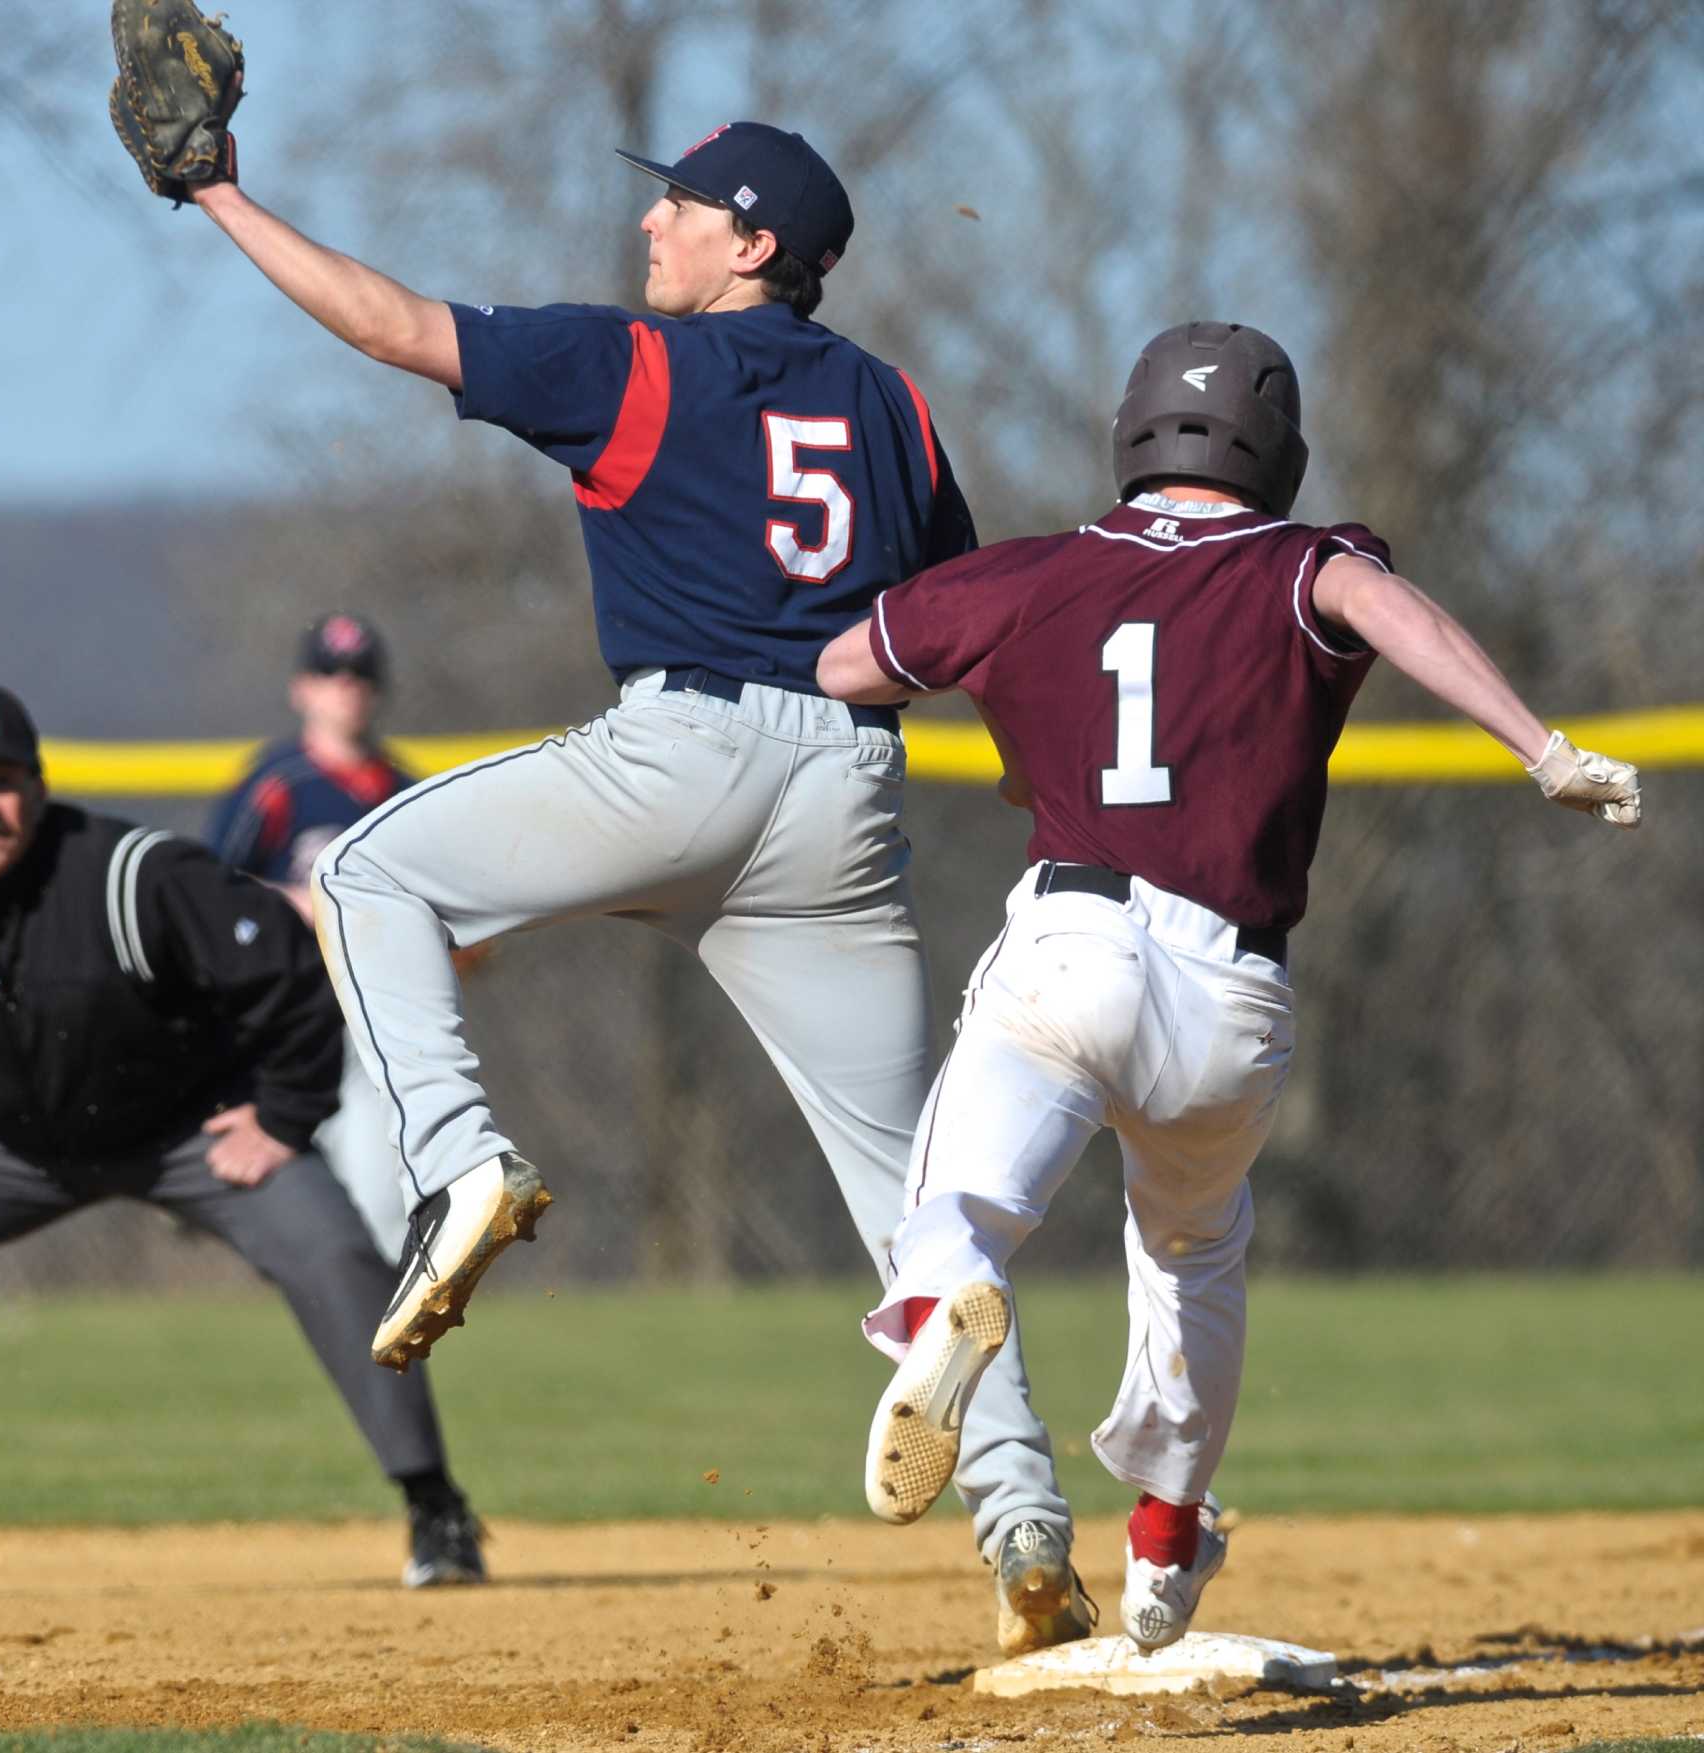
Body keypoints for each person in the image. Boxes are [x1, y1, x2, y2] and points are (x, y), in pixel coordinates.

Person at [180, 123, 1089, 1650]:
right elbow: (960, 617)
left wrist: (216, 193)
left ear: (749, 246)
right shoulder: (898, 404)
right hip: (848, 797)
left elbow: (387, 323)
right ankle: (1028, 1536)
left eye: (680, 202)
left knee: (384, 865)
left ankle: (464, 1163)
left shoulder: (638, 368)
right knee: (914, 1206)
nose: (650, 218)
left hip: (689, 754)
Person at [816, 321, 1642, 1653]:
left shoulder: (1033, 573)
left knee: (953, 1205)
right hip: (1230, 997)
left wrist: (993, 659)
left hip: (1070, 952)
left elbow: (849, 663)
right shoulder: (1305, 562)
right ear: (1278, 451)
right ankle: (1162, 1543)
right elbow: (1389, 612)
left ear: (1130, 434)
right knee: (1195, 1254)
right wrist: (1541, 747)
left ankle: (939, 1314)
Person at [0, 683, 485, 1605]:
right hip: (6, 1137)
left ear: (37, 784)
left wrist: (282, 1115)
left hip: (190, 1126)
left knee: (334, 1249)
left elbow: (293, 968)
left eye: (4, 780)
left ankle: (435, 1505)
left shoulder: (132, 874)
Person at [208, 613, 416, 1257]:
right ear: (303, 687)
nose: (345, 687)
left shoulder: (406, 790)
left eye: (359, 675)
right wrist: (305, 903)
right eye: (330, 673)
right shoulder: (275, 784)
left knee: (378, 1205)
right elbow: (205, 895)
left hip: (369, 1019)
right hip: (277, 1016)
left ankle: (371, 1325)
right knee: (276, 1189)